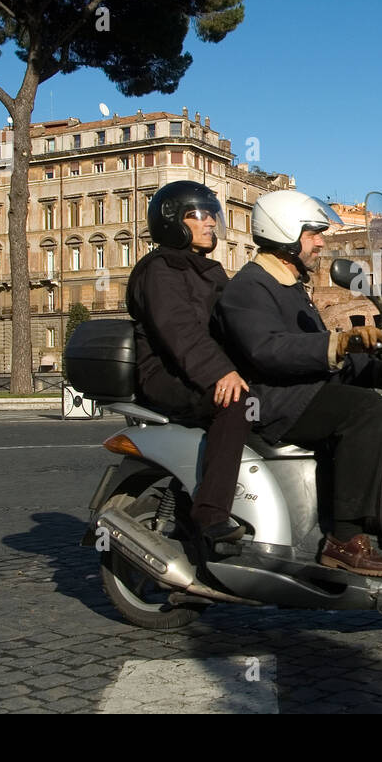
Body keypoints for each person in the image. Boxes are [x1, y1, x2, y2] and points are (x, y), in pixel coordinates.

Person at [215, 189, 382, 578]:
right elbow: (268, 350)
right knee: (364, 411)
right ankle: (344, 539)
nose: (321, 242)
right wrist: (340, 341)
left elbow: (327, 361)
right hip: (271, 399)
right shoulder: (250, 286)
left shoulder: (290, 284)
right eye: (313, 233)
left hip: (302, 391)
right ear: (285, 233)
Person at [126, 181, 251, 543]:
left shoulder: (209, 271)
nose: (211, 221)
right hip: (165, 373)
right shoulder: (158, 269)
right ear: (172, 221)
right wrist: (220, 372)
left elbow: (237, 322)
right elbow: (179, 330)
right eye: (199, 215)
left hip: (200, 368)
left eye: (213, 214)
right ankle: (210, 515)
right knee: (234, 402)